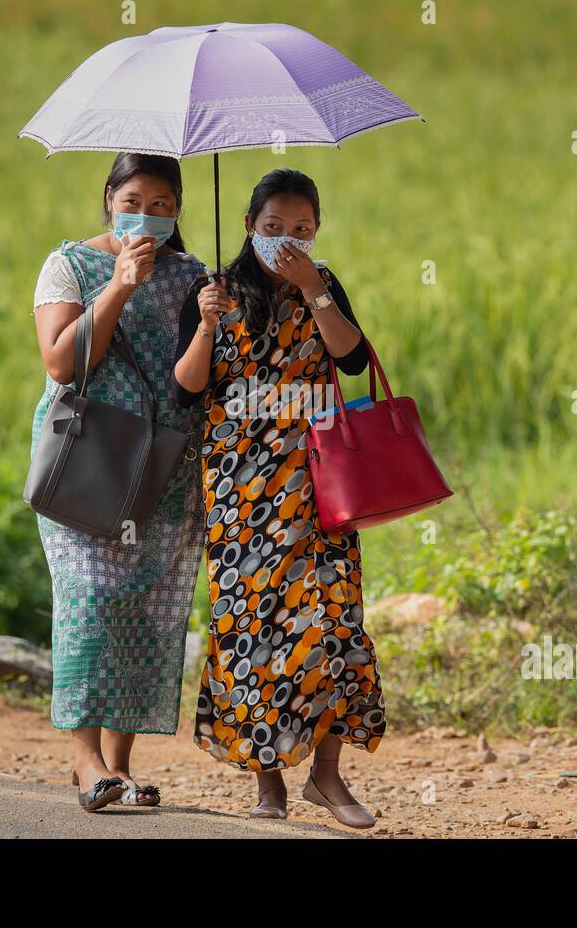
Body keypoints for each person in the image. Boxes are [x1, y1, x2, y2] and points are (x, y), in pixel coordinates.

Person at [172, 168, 384, 828]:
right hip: (240, 491)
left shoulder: (321, 284)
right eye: (273, 229)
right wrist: (205, 326)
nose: (287, 241)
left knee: (332, 626)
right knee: (253, 632)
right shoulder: (211, 293)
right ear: (247, 226)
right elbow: (185, 390)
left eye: (301, 231)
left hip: (320, 484)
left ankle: (327, 776)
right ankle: (269, 789)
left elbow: (352, 360)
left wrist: (315, 288)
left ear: (316, 232)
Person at [30, 152, 206, 811]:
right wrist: (121, 285)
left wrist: (216, 317)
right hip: (87, 457)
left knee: (149, 609)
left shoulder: (193, 276)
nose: (148, 215)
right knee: (89, 602)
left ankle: (122, 767)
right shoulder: (71, 264)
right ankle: (86, 763)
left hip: (164, 466)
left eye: (164, 205)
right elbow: (61, 362)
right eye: (134, 201)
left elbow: (198, 377)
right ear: (109, 199)